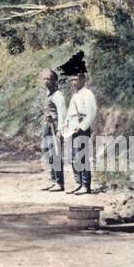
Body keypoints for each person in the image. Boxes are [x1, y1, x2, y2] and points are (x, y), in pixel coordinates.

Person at [59, 50, 97, 195]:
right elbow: (70, 113)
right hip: (72, 128)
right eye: (72, 80)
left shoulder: (88, 94)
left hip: (81, 129)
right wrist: (65, 124)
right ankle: (78, 182)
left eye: (76, 79)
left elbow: (91, 113)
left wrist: (81, 127)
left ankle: (86, 185)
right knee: (74, 157)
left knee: (82, 157)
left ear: (83, 79)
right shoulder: (75, 95)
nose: (74, 83)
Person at [39, 68, 67, 191]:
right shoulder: (47, 94)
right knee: (47, 152)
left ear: (54, 80)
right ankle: (53, 179)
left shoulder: (58, 95)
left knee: (55, 153)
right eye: (44, 79)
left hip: (55, 127)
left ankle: (59, 182)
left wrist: (60, 130)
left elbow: (62, 113)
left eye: (48, 79)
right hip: (47, 126)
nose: (46, 81)